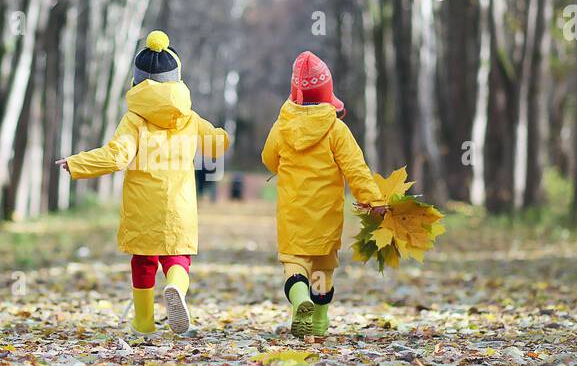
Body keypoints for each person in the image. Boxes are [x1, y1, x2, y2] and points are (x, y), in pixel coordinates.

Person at [57, 31, 229, 337]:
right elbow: (215, 145)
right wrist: (223, 135)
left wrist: (77, 164)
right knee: (177, 257)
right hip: (179, 205)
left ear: (137, 81)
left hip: (142, 207)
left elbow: (115, 157)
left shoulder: (134, 119)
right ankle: (175, 286)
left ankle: (144, 322)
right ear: (176, 80)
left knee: (144, 261)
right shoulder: (190, 118)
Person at [261, 51, 388, 336]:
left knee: (294, 263)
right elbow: (356, 169)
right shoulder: (336, 130)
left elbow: (269, 159)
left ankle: (299, 300)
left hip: (293, 215)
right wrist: (373, 200)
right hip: (326, 218)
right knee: (322, 269)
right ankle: (319, 322)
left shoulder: (282, 127)